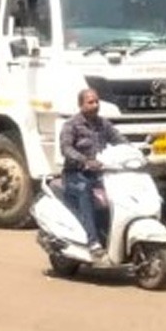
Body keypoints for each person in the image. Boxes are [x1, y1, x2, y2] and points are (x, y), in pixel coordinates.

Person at [59, 87, 125, 258]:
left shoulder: (104, 124)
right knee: (85, 191)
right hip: (75, 175)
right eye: (91, 102)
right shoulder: (71, 125)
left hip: (100, 174)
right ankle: (93, 241)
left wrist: (137, 154)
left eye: (97, 101)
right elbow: (66, 149)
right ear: (81, 105)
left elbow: (120, 140)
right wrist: (85, 161)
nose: (95, 105)